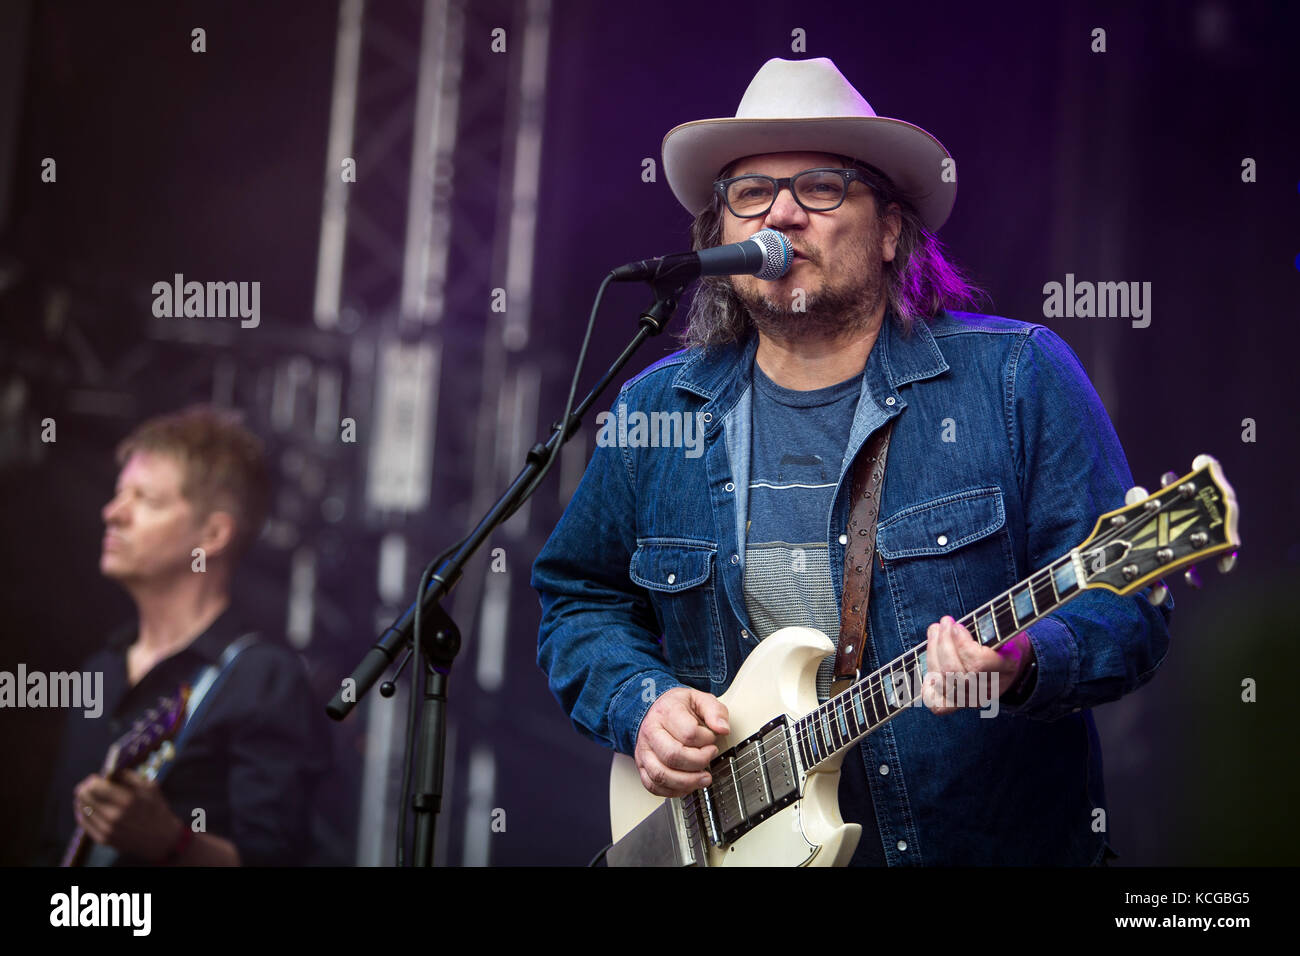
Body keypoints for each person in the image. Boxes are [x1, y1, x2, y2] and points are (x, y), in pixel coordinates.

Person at [532, 57, 1173, 866]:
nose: (783, 216)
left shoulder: (1018, 378)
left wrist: (1016, 662)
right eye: (750, 193)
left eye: (822, 188)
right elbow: (578, 596)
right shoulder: (659, 410)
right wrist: (644, 706)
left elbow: (1130, 607)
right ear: (722, 235)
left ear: (892, 230)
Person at [35, 405, 329, 866]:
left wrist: (172, 841)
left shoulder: (262, 679)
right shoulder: (102, 669)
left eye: (145, 500)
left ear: (211, 534)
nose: (112, 513)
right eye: (118, 495)